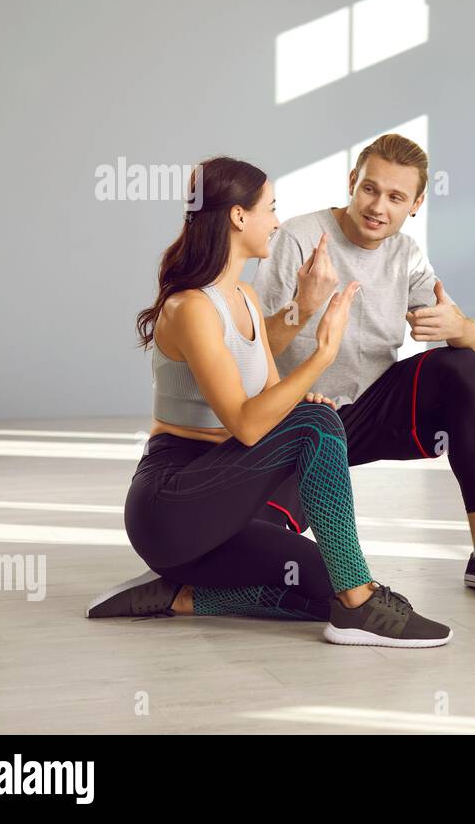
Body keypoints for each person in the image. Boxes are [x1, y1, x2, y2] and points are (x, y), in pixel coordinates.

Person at [85, 156, 452, 648]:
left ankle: (182, 598)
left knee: (322, 585)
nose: (277, 222)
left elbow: (269, 400)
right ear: (239, 217)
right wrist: (322, 355)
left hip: (226, 506)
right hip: (172, 508)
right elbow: (247, 424)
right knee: (318, 426)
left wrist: (307, 310)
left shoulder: (248, 299)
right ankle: (361, 606)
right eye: (270, 208)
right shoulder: (191, 307)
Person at [252, 134, 475, 597]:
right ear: (352, 182)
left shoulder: (406, 254)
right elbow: (256, 347)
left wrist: (458, 324)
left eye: (396, 197)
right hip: (298, 415)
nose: (378, 206)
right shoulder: (298, 238)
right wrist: (304, 303)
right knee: (261, 546)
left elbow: (473, 341)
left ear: (415, 204)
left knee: (460, 365)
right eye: (370, 189)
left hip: (370, 413)